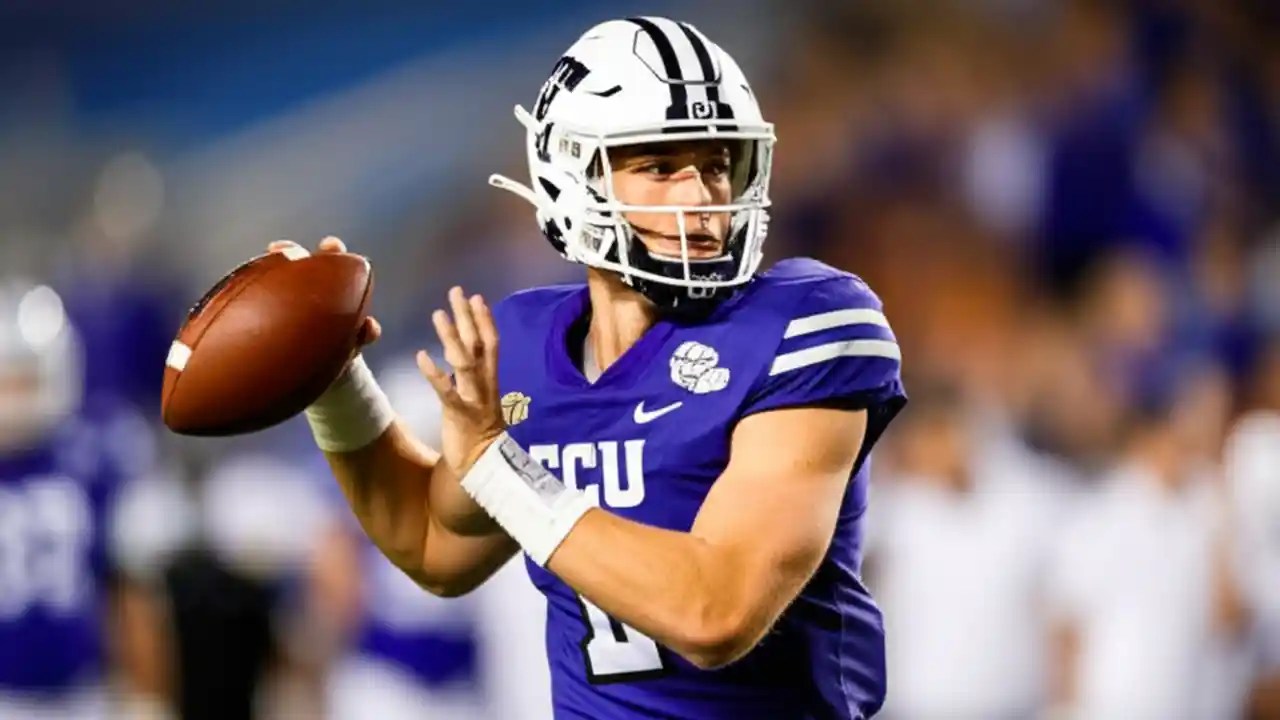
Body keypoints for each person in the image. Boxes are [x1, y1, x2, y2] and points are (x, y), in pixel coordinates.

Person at [280, 16, 906, 719]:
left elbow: (715, 610)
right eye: (661, 167)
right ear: (572, 177)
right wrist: (334, 384)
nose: (700, 198)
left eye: (715, 164)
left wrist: (498, 468)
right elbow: (435, 544)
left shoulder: (804, 320)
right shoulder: (525, 345)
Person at [0, 280, 165, 719]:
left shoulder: (92, 455)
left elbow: (127, 589)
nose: (15, 400)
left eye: (26, 381)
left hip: (83, 691)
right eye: (5, 383)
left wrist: (148, 693)